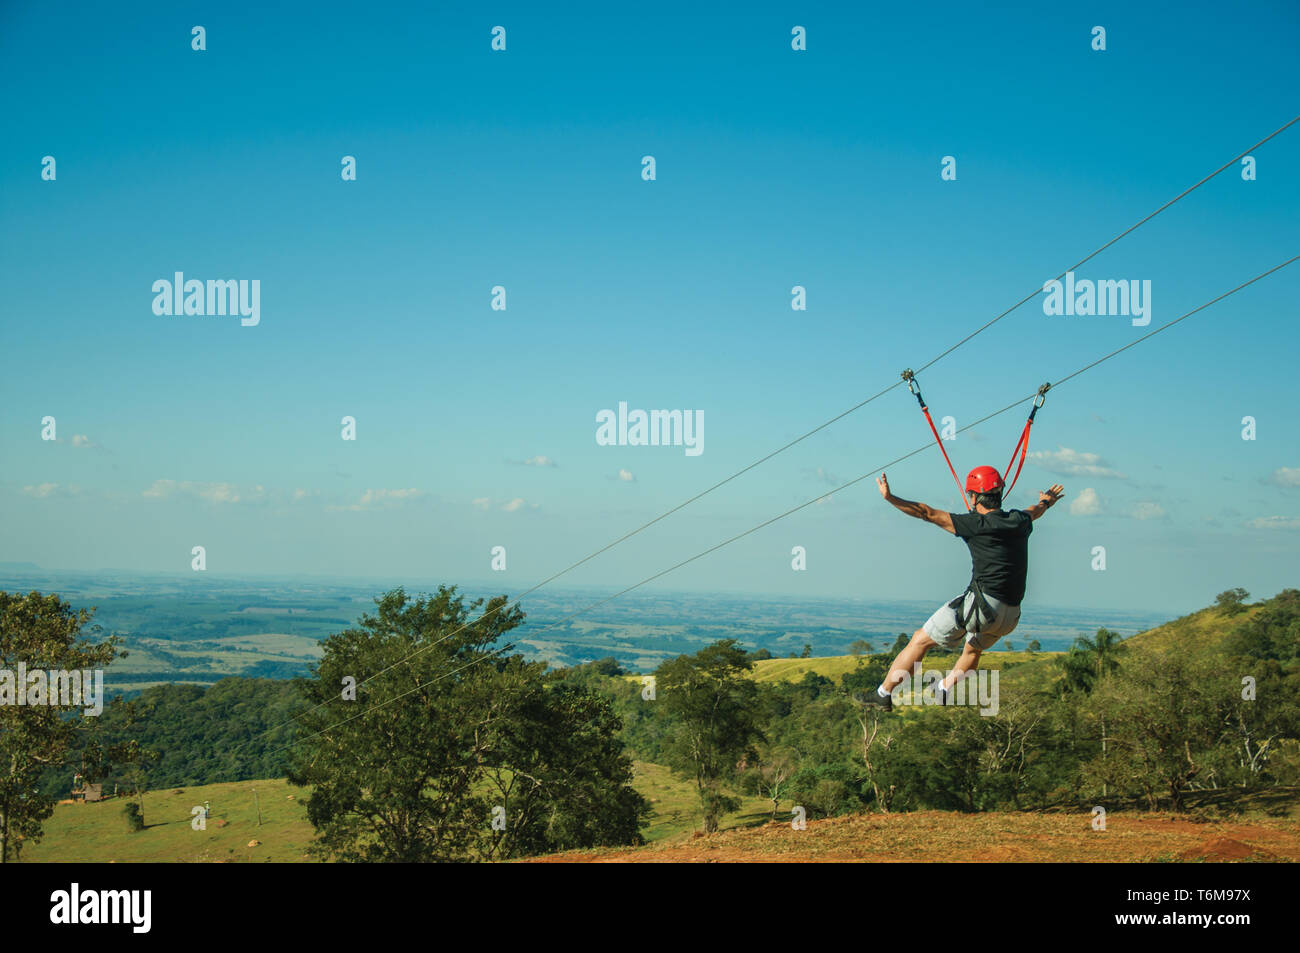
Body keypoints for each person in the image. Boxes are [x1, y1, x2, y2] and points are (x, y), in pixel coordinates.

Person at [858, 466, 1064, 710]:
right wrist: (1046, 502)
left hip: (983, 607)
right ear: (999, 495)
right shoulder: (1019, 521)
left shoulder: (975, 524)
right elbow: (1035, 511)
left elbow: (925, 512)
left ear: (974, 497)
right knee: (972, 649)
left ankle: (884, 693)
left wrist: (890, 498)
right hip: (1010, 616)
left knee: (920, 641)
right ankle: (944, 688)